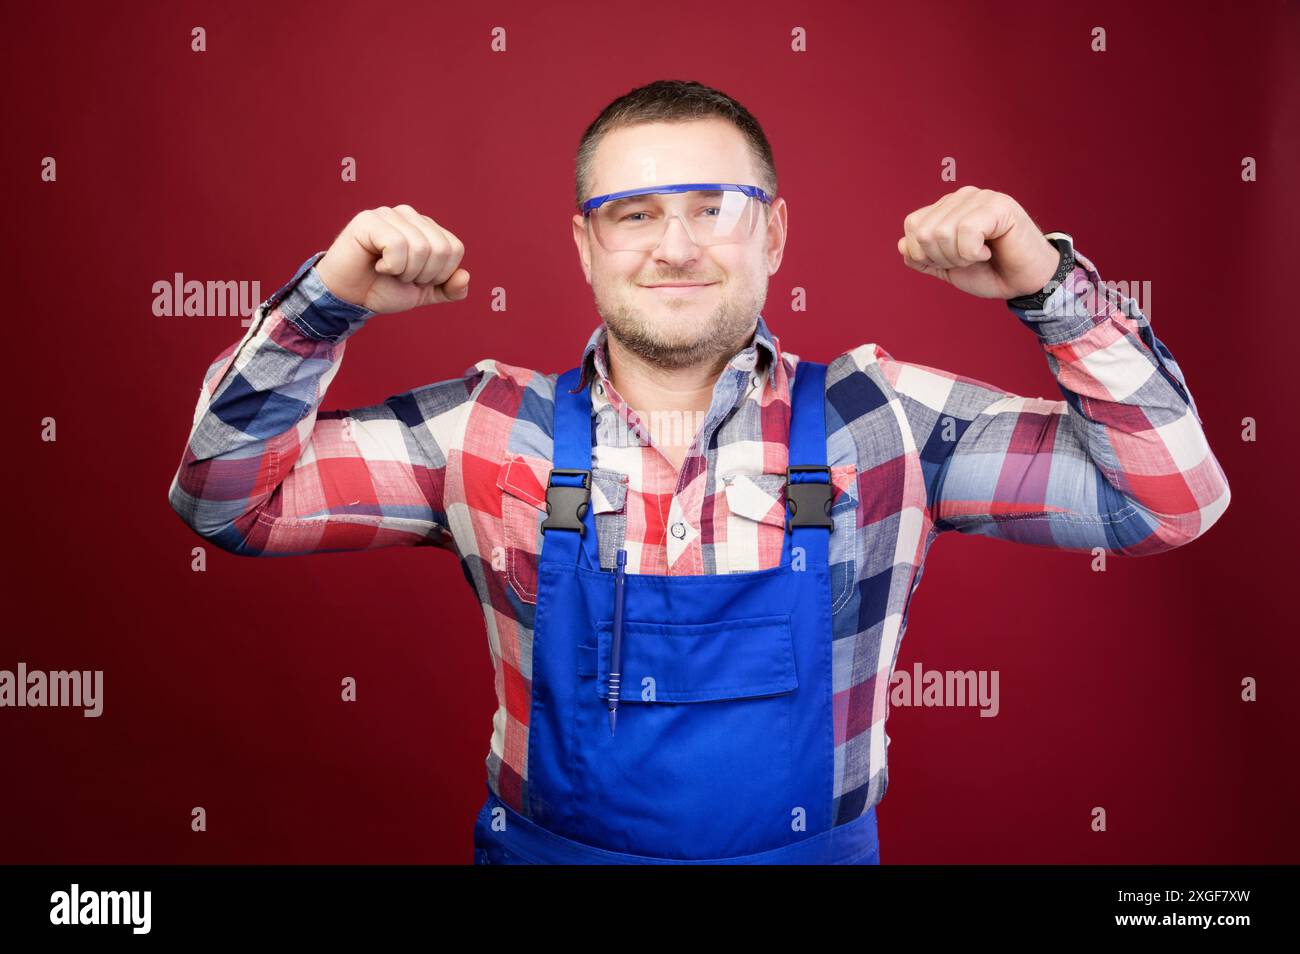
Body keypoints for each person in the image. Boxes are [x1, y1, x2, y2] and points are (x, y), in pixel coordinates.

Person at [166, 79, 1231, 865]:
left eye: (712, 208)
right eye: (632, 214)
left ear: (772, 231)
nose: (673, 247)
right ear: (585, 246)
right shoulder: (488, 430)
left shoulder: (887, 423)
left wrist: (1049, 289)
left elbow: (1168, 500)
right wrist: (325, 306)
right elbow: (227, 500)